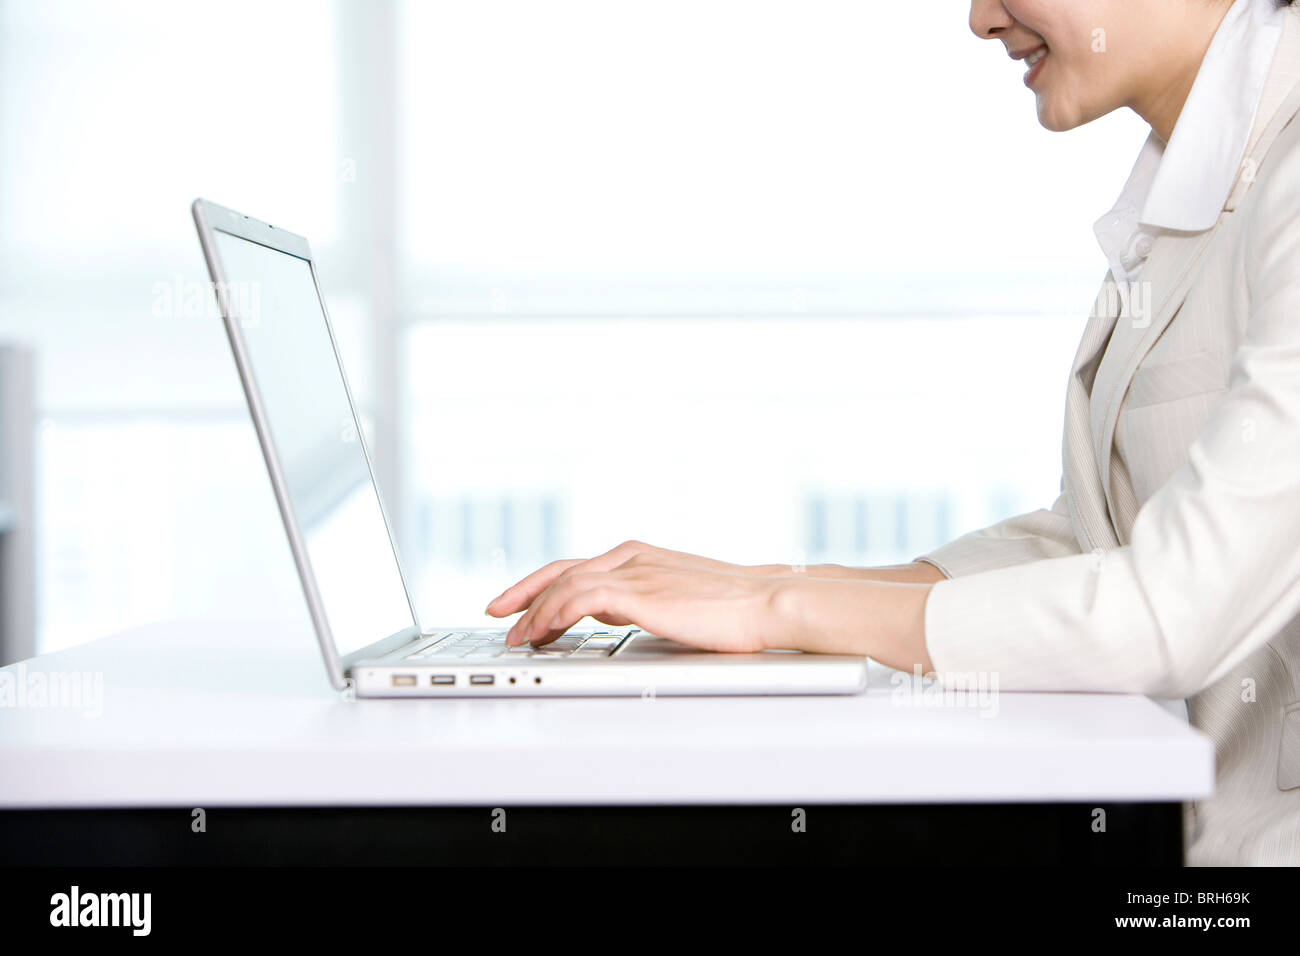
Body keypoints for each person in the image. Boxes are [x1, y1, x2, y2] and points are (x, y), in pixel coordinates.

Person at [485, 0, 1300, 866]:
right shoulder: (1201, 180)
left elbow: (1168, 608)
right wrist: (763, 586)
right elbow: (1100, 538)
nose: (981, 19)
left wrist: (774, 608)